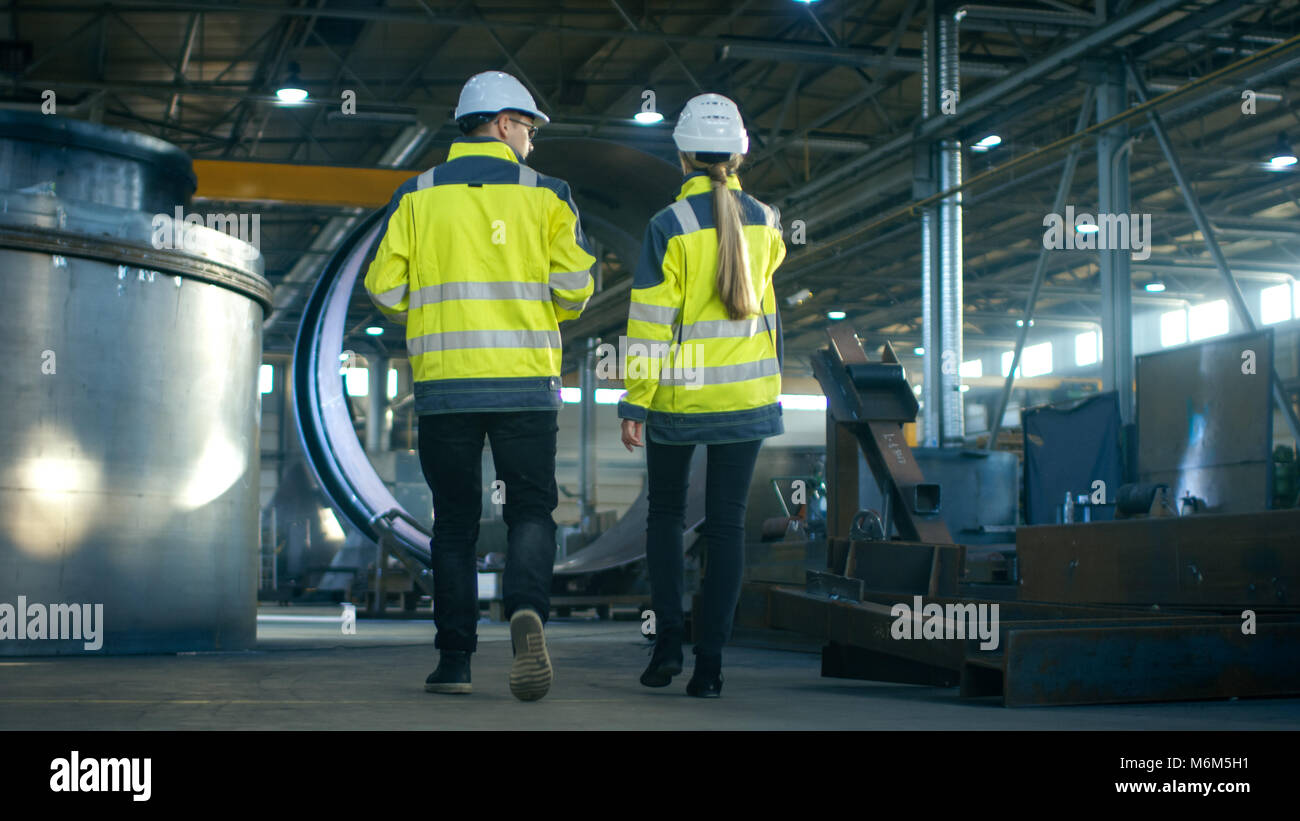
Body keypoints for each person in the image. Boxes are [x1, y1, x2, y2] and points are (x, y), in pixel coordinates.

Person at [363, 71, 596, 702]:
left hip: (445, 387)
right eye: (528, 126)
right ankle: (526, 612)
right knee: (530, 509)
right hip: (523, 381)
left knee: (455, 523)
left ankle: (454, 662)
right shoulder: (547, 194)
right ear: (501, 123)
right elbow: (576, 289)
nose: (531, 139)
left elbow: (384, 290)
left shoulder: (417, 195)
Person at [616, 93, 786, 697]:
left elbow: (649, 323)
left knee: (665, 518)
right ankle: (711, 668)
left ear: (682, 155)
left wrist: (636, 399)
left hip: (679, 397)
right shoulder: (766, 222)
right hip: (746, 397)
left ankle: (666, 652)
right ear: (740, 153)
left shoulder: (669, 226)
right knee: (726, 527)